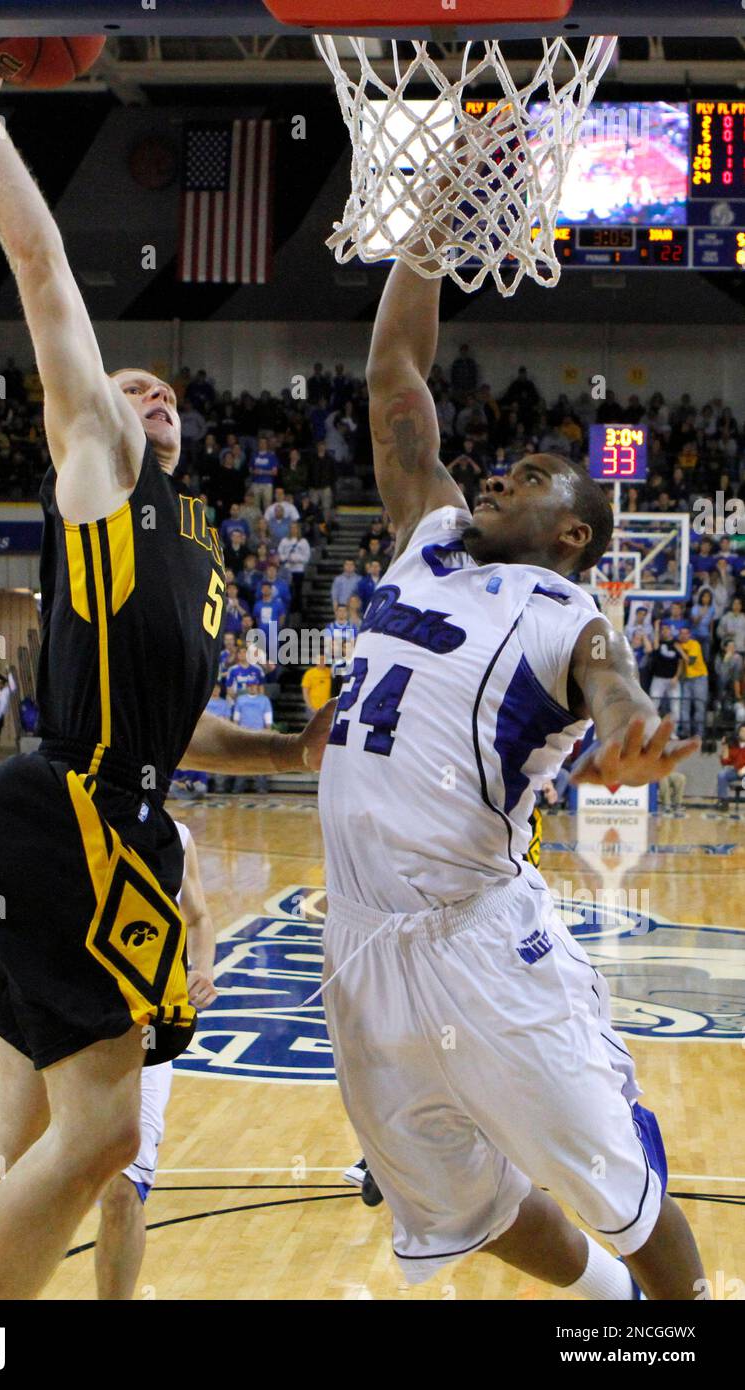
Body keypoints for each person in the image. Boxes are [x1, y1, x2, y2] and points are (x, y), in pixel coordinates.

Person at [0, 34, 332, 1304]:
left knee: (78, 1136)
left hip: (127, 815)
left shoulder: (204, 549)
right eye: (128, 382)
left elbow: (182, 730)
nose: (148, 386)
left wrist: (280, 752)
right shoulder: (98, 465)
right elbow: (44, 270)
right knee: (94, 1139)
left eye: (164, 388)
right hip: (67, 807)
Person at [312, 204, 703, 1302]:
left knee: (626, 1195)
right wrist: (432, 225)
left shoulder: (570, 613)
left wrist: (627, 742)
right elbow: (395, 370)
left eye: (532, 474)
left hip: (482, 946)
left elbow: (616, 691)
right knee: (460, 1210)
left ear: (573, 533)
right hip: (358, 945)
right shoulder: (431, 530)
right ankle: (608, 1312)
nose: (499, 475)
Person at [0, 820, 218, 1301]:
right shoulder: (60, 814)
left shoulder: (173, 835)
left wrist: (203, 967)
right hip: (58, 1006)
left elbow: (196, 915)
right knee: (4, 1154)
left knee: (123, 1184)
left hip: (142, 1016)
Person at [717, 726, 745, 808]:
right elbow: (725, 762)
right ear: (738, 733)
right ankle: (724, 801)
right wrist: (724, 745)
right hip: (736, 771)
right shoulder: (733, 745)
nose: (744, 733)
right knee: (721, 775)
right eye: (742, 731)